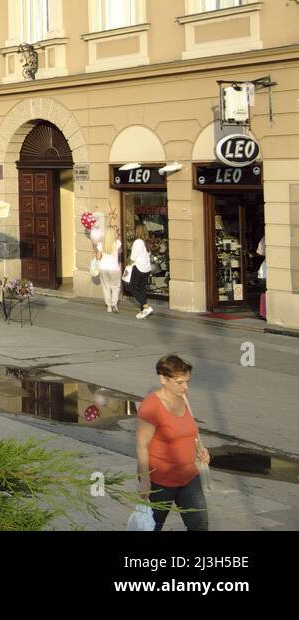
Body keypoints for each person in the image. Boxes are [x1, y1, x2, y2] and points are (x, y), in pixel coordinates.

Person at [136, 354, 210, 531]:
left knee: (199, 525)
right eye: (180, 382)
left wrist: (201, 448)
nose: (185, 387)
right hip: (161, 480)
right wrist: (145, 481)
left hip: (189, 477)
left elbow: (191, 429)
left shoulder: (183, 397)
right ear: (163, 379)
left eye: (187, 381)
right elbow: (142, 445)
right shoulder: (151, 406)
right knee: (152, 526)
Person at [95, 224, 123, 313]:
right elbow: (120, 252)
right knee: (115, 287)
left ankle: (109, 306)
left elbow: (98, 256)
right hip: (114, 267)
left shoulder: (100, 243)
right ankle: (114, 304)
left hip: (103, 267)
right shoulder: (117, 243)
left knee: (106, 287)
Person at [129, 222, 155, 320]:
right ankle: (143, 311)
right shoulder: (147, 241)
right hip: (146, 268)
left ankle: (145, 306)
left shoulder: (138, 242)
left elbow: (133, 257)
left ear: (137, 231)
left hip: (138, 268)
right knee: (142, 289)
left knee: (132, 288)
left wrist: (128, 263)